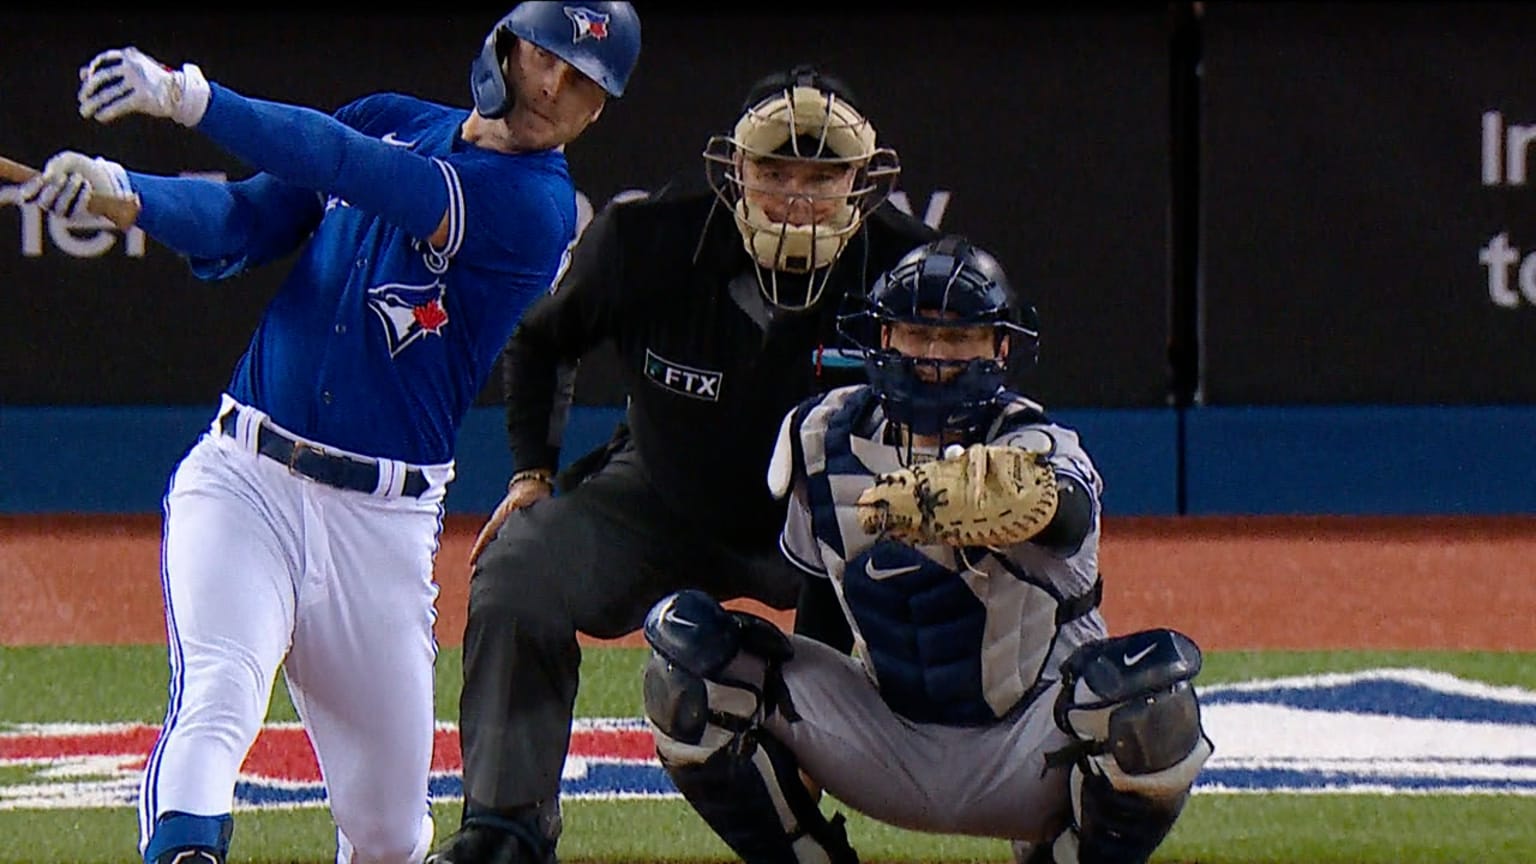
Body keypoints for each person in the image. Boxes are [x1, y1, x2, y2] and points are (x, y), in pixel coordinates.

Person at [14, 5, 640, 863]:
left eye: (585, 83)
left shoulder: (533, 208)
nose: (553, 89)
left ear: (598, 110)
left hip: (380, 529)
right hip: (247, 480)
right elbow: (240, 222)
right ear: (505, 47)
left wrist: (191, 98)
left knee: (389, 834)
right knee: (218, 702)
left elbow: (349, 164)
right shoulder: (391, 116)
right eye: (546, 57)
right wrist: (128, 196)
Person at [432, 66, 940, 864]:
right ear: (734, 168)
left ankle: (1020, 810)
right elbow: (541, 339)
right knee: (518, 570)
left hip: (835, 519)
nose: (797, 198)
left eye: (823, 175)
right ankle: (505, 828)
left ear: (861, 181)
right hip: (659, 492)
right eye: (775, 170)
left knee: (962, 583)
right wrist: (532, 473)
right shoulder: (647, 240)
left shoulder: (914, 277)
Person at [639, 236, 1215, 864]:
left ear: (999, 348)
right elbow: (822, 602)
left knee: (1150, 704)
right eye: (916, 334)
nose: (936, 357)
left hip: (1030, 746)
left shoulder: (1039, 447)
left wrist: (1023, 504)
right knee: (692, 665)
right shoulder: (819, 436)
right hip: (887, 739)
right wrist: (800, 741)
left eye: (960, 338)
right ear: (884, 340)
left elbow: (1070, 515)